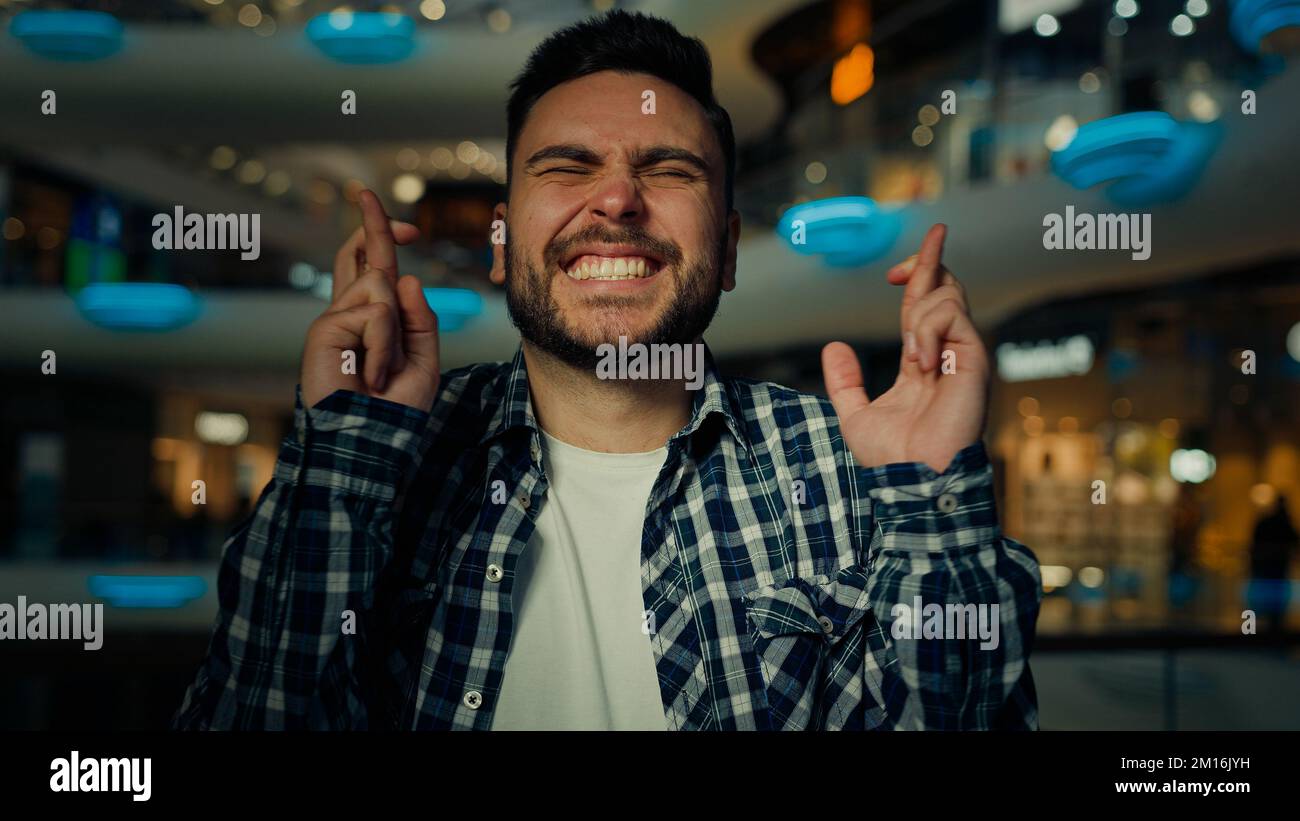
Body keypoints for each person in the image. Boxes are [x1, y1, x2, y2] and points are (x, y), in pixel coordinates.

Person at [174, 10, 1041, 730]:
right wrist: (346, 458)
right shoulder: (387, 458)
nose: (619, 200)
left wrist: (933, 502)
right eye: (566, 167)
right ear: (502, 245)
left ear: (729, 251)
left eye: (667, 169)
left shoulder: (854, 472)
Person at [1248, 494, 1298, 635]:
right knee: (1274, 602)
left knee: (1267, 601)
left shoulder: (1267, 522)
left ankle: (1260, 630)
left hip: (1268, 567)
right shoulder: (1284, 523)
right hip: (1275, 567)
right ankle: (1270, 629)